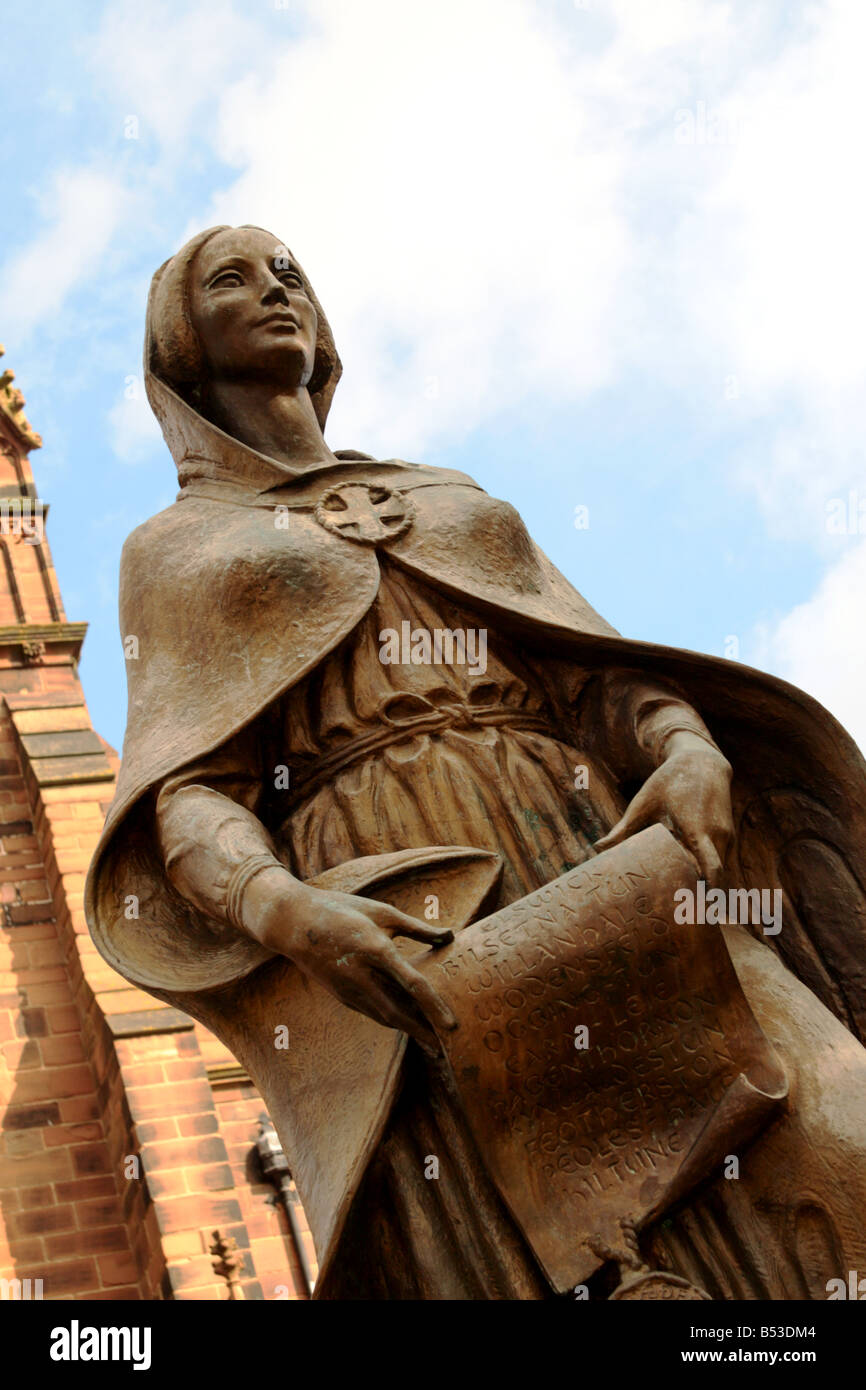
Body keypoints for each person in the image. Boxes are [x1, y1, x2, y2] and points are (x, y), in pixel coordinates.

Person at [86, 225, 866, 1299]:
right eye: (233, 280)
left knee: (835, 1135)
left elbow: (592, 674)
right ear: (180, 341)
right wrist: (287, 912)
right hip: (405, 907)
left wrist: (684, 745)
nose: (274, 289)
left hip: (603, 843)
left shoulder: (444, 492)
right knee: (531, 1248)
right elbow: (189, 793)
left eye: (290, 273)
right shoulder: (174, 550)